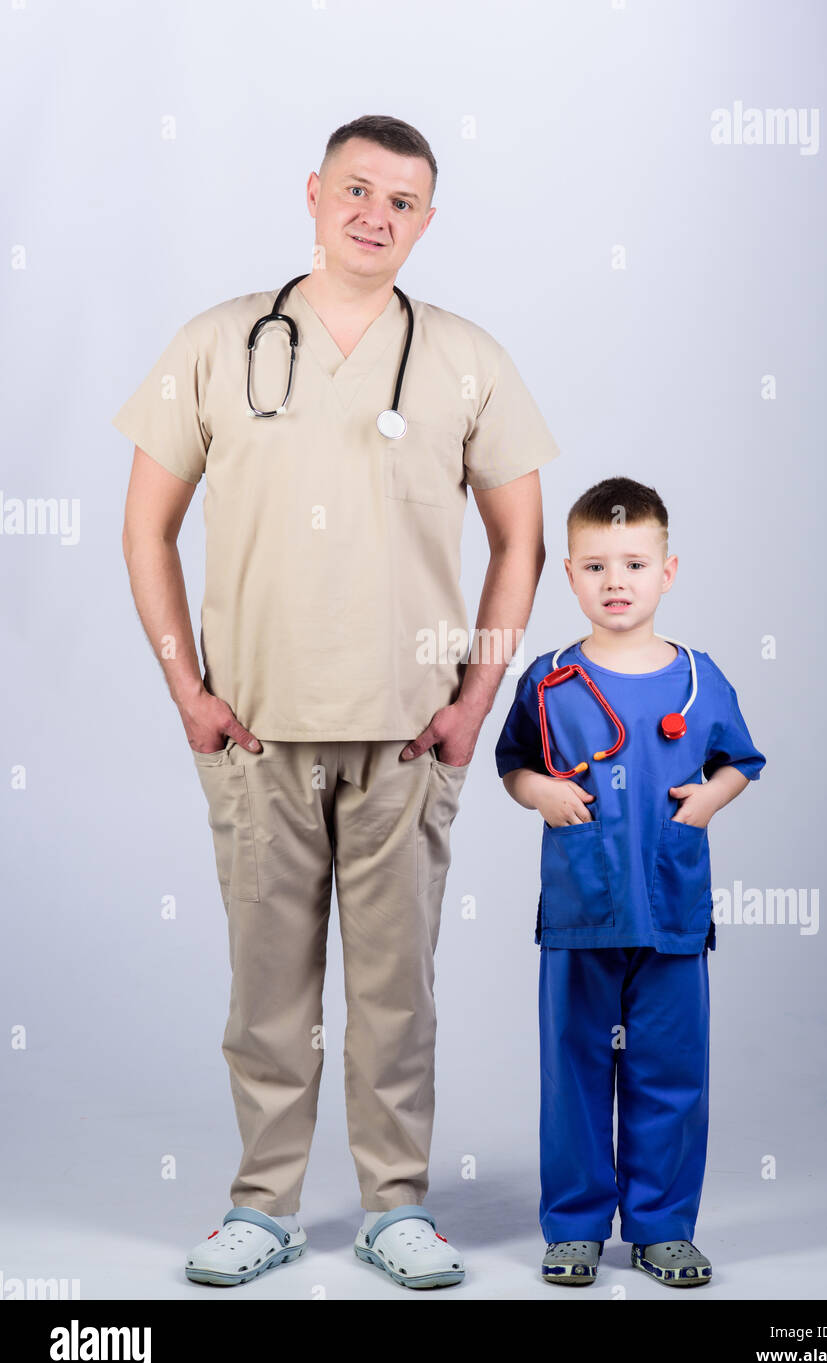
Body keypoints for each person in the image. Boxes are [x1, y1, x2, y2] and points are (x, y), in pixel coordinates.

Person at [113, 114, 559, 1289]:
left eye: (401, 200)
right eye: (356, 189)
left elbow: (522, 541)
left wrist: (475, 698)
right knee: (265, 986)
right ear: (312, 193)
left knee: (392, 991)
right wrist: (185, 690)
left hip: (410, 736)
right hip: (254, 727)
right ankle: (261, 1204)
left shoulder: (465, 356)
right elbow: (143, 527)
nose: (375, 214)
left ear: (424, 220)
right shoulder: (217, 342)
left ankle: (393, 1205)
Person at [494, 476, 766, 1288]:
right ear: (568, 575)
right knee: (574, 1069)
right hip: (581, 917)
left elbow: (740, 762)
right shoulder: (547, 681)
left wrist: (706, 803)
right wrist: (539, 792)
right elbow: (513, 763)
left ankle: (661, 1226)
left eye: (634, 564)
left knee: (670, 1071)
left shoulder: (699, 677)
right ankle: (575, 1224)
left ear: (667, 571)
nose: (616, 582)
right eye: (595, 566)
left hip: (673, 913)